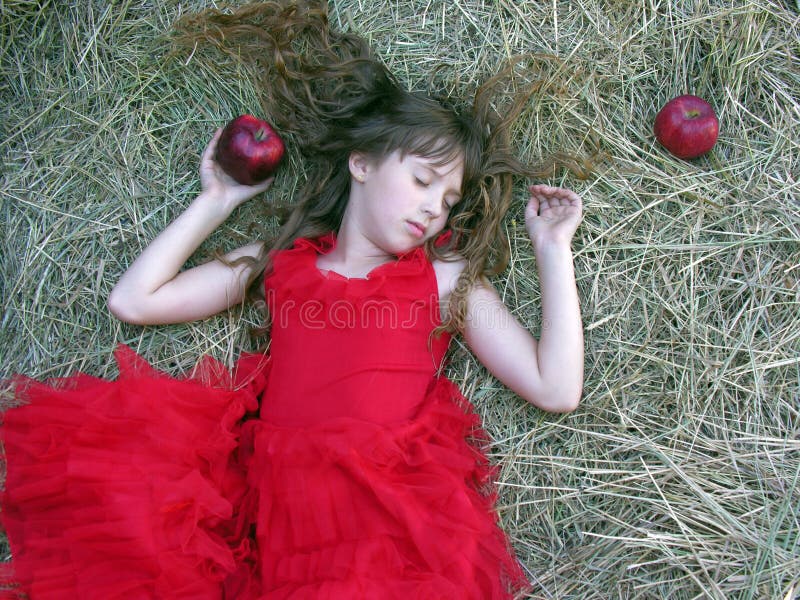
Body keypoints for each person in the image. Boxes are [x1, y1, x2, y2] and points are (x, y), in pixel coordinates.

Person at [0, 2, 583, 598]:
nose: (435, 207)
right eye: (422, 180)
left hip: (379, 518)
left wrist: (551, 249)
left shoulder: (442, 278)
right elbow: (135, 300)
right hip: (272, 513)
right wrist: (219, 199)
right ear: (361, 163)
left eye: (449, 200)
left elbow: (556, 388)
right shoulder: (282, 262)